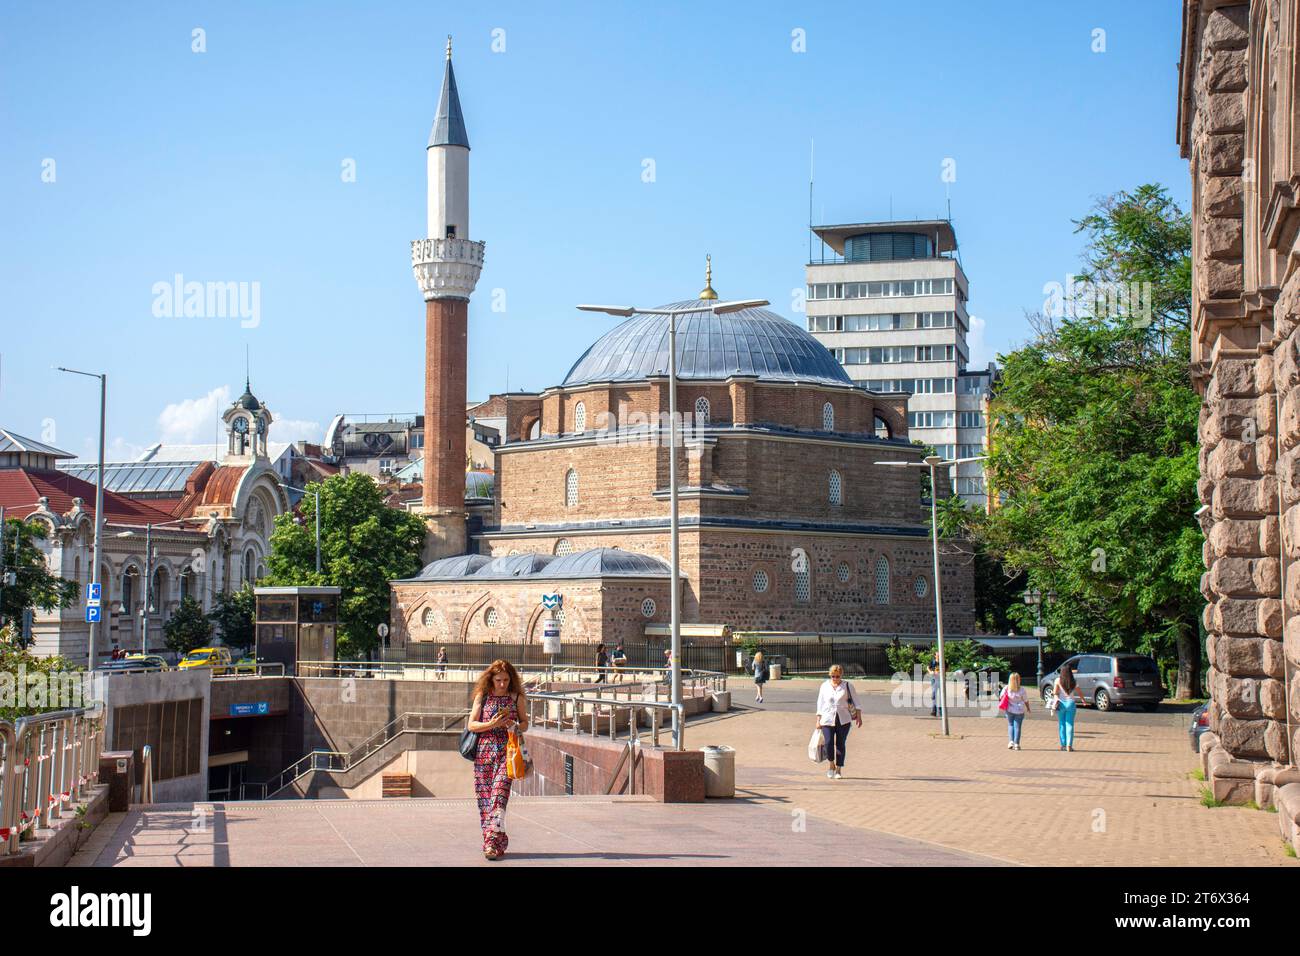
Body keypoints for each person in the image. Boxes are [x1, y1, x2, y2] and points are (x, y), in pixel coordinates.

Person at [467, 659, 529, 860]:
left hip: (507, 752)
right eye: (498, 680)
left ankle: (492, 842)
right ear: (491, 679)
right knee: (485, 800)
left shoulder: (516, 697)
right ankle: (492, 841)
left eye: (506, 680)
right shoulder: (482, 697)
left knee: (499, 796)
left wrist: (515, 726)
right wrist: (492, 724)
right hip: (484, 753)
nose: (502, 684)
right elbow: (471, 725)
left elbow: (525, 722)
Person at [814, 664, 862, 779]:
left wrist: (859, 717)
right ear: (830, 675)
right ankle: (831, 766)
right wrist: (818, 720)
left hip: (843, 719)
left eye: (837, 676)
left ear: (841, 675)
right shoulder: (824, 686)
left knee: (840, 744)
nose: (835, 679)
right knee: (828, 743)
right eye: (833, 676)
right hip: (827, 719)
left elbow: (857, 702)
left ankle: (839, 769)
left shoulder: (847, 686)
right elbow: (820, 703)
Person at [1052, 663, 1085, 752]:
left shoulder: (1058, 680)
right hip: (1071, 703)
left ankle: (1063, 744)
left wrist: (1056, 697)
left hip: (1061, 704)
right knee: (1069, 724)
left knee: (1062, 724)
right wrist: (1083, 700)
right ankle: (1069, 745)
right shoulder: (1073, 681)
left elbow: (1055, 692)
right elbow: (1079, 692)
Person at [999, 672, 1030, 750]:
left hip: (1009, 710)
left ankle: (1011, 741)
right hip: (1019, 711)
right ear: (1019, 680)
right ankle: (1017, 744)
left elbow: (1001, 697)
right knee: (1017, 727)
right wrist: (1028, 708)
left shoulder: (1006, 688)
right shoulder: (1022, 689)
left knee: (1010, 725)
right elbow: (1026, 700)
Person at [927, 651, 941, 717]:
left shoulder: (943, 661)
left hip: (941, 680)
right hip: (934, 679)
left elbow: (947, 667)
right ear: (935, 656)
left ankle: (941, 711)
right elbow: (928, 667)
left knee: (942, 695)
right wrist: (930, 672)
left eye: (939, 655)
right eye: (937, 655)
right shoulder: (932, 662)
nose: (938, 656)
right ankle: (934, 710)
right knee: (934, 695)